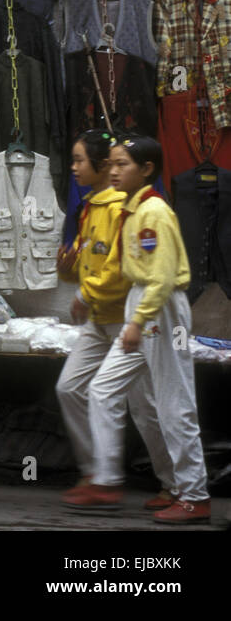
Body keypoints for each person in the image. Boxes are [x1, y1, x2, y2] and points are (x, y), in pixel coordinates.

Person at [64, 135, 211, 524]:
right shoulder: (132, 209)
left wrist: (137, 321)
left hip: (159, 309)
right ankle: (108, 480)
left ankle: (194, 494)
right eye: (111, 163)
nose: (113, 171)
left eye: (122, 164)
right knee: (102, 389)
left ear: (146, 170)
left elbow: (160, 278)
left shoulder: (153, 212)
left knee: (174, 402)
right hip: (141, 306)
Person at [55, 129, 177, 511]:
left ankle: (172, 483)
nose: (74, 167)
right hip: (99, 320)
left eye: (79, 160)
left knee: (143, 408)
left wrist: (85, 294)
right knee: (70, 387)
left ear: (101, 163)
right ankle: (97, 472)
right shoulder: (89, 207)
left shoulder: (121, 208)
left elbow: (119, 269)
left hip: (126, 319)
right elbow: (90, 260)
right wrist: (69, 271)